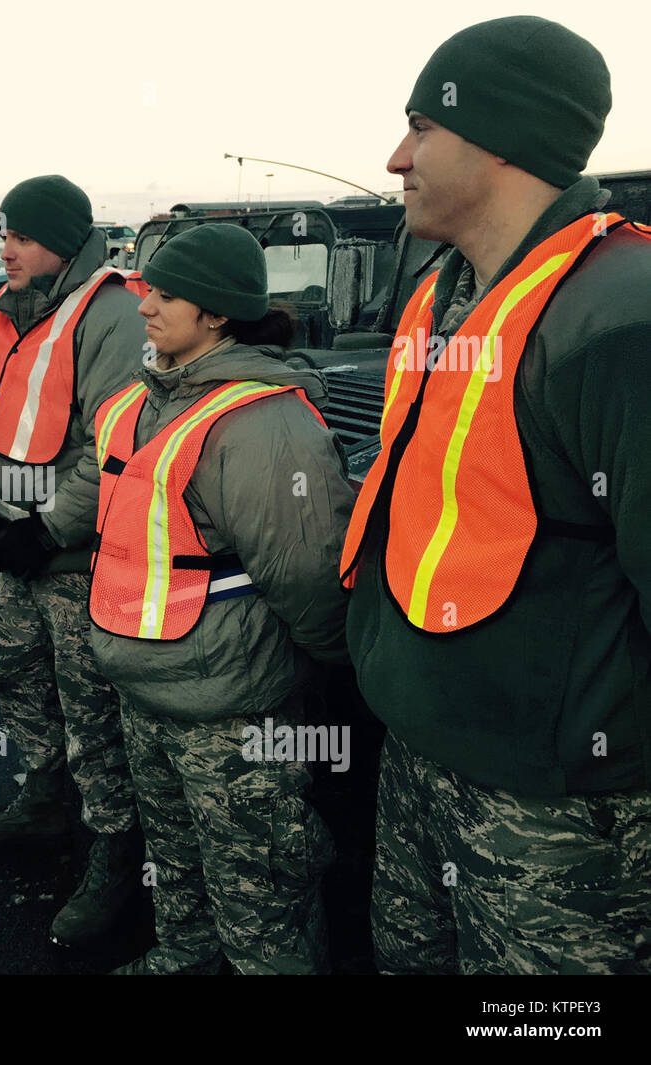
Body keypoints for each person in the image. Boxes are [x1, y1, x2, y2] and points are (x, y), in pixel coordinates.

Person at [340, 17, 651, 974]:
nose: (396, 156)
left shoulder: (621, 315)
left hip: (557, 816)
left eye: (422, 128)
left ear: (505, 137)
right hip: (421, 757)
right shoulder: (443, 292)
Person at [88, 224, 354, 974]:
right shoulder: (146, 402)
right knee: (176, 860)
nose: (144, 304)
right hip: (149, 688)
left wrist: (327, 673)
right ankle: (187, 956)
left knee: (259, 889)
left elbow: (307, 575)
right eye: (145, 286)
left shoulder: (263, 422)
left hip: (234, 710)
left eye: (164, 293)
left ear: (216, 313)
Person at [0, 174, 147, 948]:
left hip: (74, 564)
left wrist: (46, 530)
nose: (6, 251)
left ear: (61, 240)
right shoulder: (0, 316)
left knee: (92, 711)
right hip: (11, 551)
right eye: (2, 234)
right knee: (21, 682)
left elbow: (112, 445)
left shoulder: (112, 312)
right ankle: (41, 799)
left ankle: (115, 852)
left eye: (20, 236)